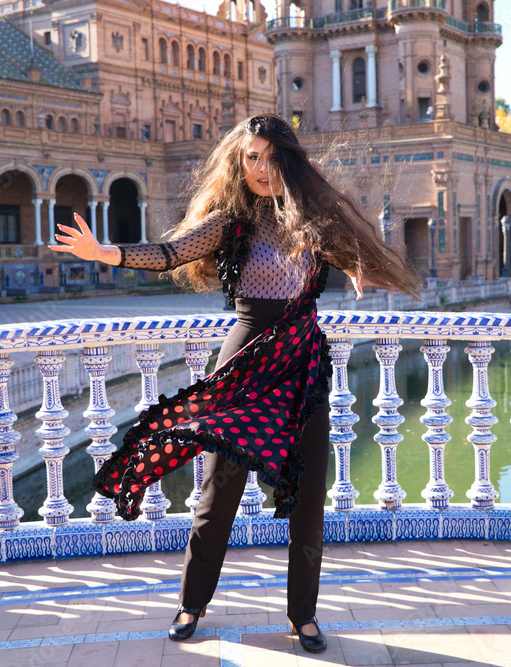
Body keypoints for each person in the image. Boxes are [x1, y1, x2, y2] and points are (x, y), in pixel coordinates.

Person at [51, 114, 420, 652]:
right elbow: (172, 253)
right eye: (252, 157)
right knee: (218, 491)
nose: (262, 168)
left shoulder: (312, 219)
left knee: (310, 496)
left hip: (302, 368)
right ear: (238, 162)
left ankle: (303, 615)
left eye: (272, 157)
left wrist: (356, 266)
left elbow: (345, 252)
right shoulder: (230, 221)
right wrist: (109, 253)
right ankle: (191, 603)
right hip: (244, 366)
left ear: (288, 161)